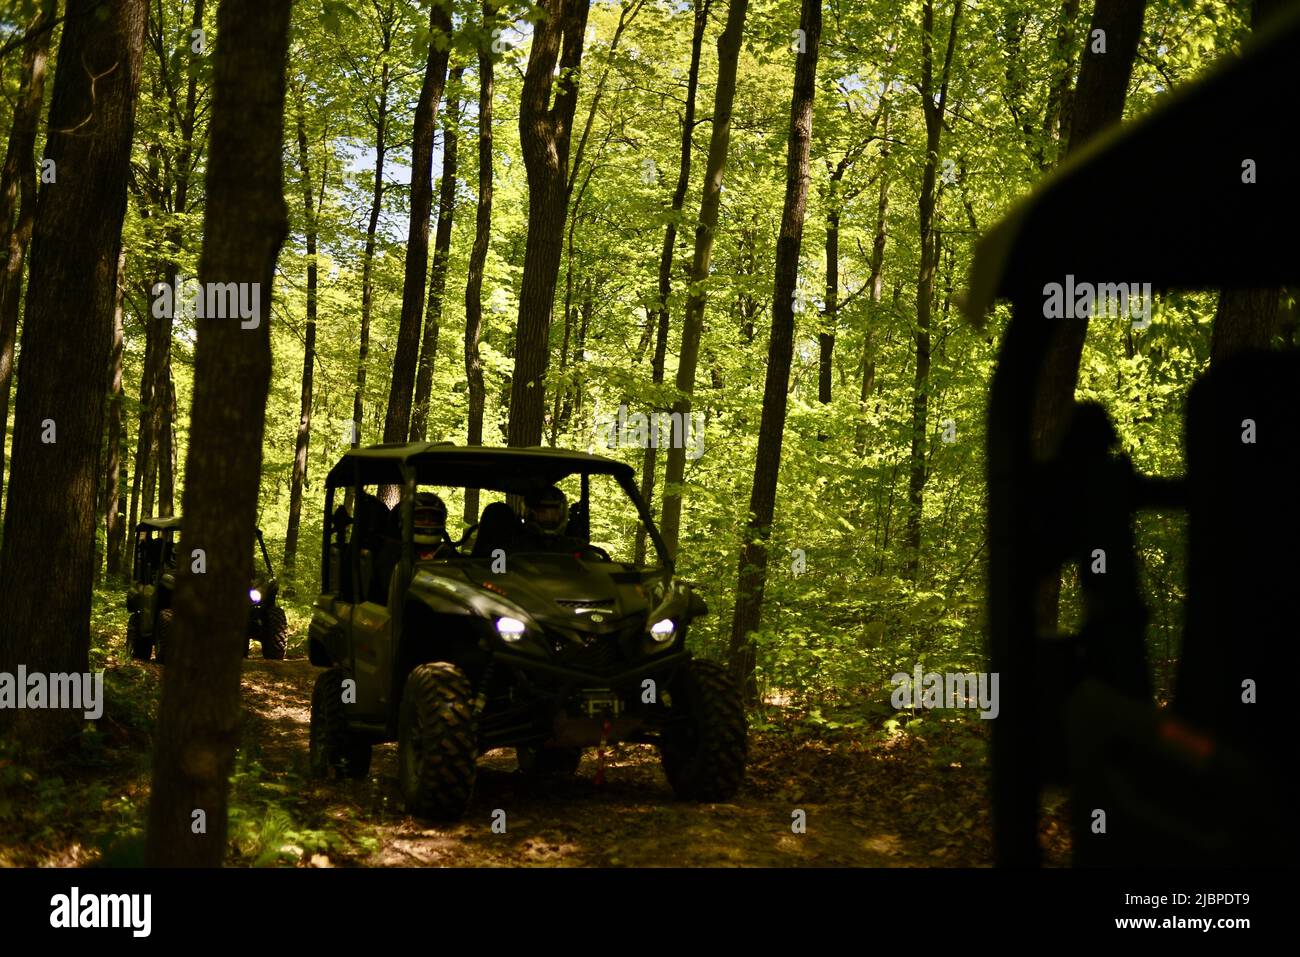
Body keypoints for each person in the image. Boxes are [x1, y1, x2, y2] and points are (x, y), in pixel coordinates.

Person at [414, 491, 455, 560]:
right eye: (420, 518)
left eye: (433, 519)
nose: (427, 522)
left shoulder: (448, 553)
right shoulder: (396, 552)